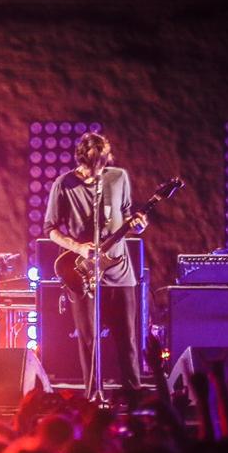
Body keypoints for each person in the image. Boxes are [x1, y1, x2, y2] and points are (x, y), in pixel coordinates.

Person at [43, 131, 146, 394]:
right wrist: (78, 247)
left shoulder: (119, 177)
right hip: (83, 271)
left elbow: (125, 215)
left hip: (119, 270)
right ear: (81, 159)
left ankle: (134, 398)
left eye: (102, 162)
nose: (98, 169)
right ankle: (93, 396)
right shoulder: (64, 184)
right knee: (89, 340)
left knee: (128, 340)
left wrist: (137, 225)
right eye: (92, 164)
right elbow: (50, 229)